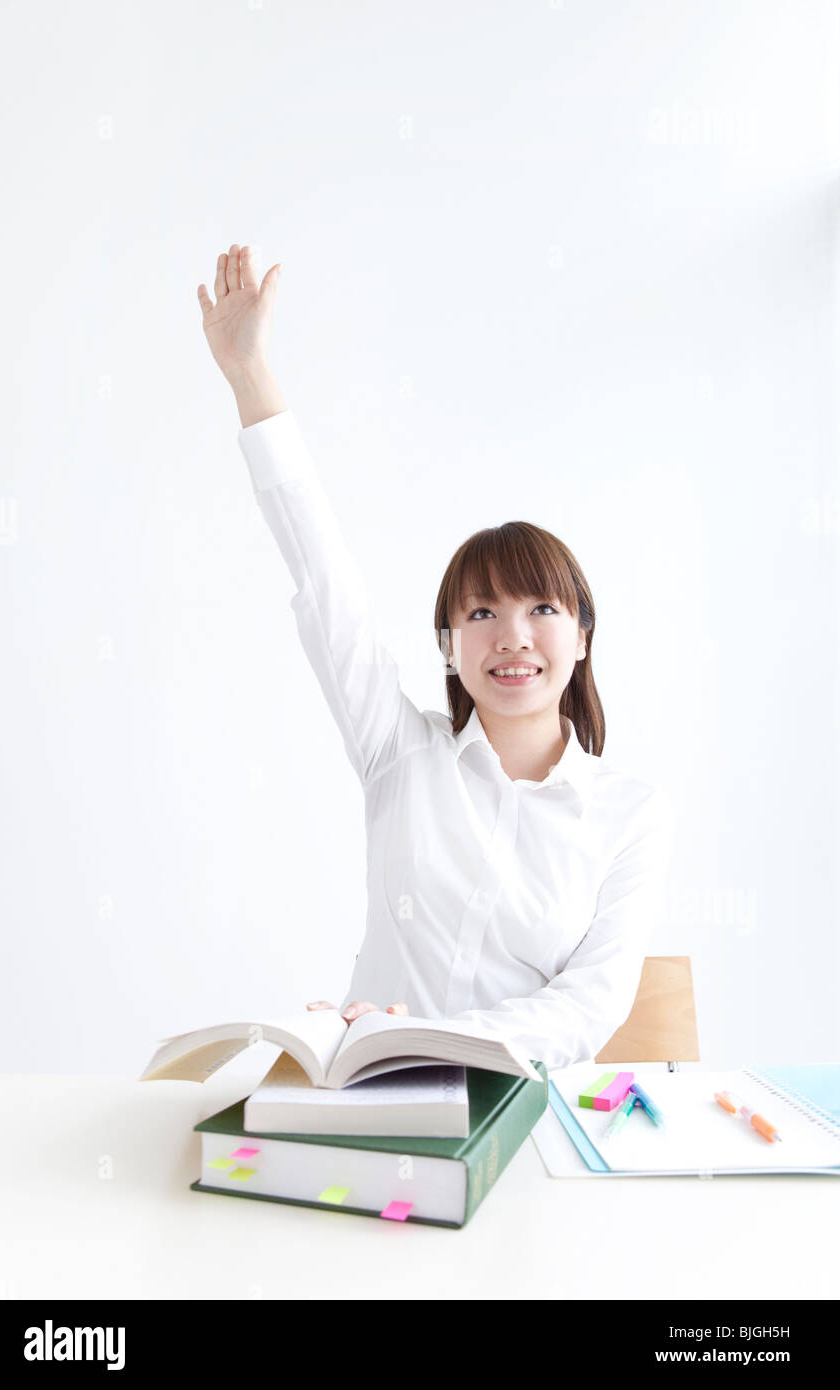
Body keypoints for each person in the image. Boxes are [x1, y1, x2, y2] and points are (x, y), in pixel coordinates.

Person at [197, 243, 675, 1072]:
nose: (513, 636)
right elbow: (326, 584)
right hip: (372, 1098)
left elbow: (587, 1009)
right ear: (451, 648)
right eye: (481, 612)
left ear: (583, 637)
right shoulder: (400, 754)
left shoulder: (628, 814)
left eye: (542, 610)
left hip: (521, 1114)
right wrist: (249, 376)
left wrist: (422, 1040)